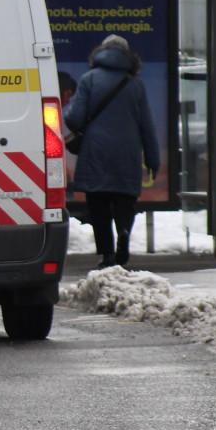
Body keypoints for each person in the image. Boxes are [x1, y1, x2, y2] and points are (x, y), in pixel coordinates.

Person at [66, 34, 161, 269]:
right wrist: (152, 158)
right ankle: (124, 234)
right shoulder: (135, 84)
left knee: (98, 206)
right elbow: (146, 125)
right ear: (127, 56)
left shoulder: (89, 79)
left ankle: (107, 254)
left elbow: (74, 118)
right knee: (124, 202)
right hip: (127, 154)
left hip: (96, 152)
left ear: (102, 52)